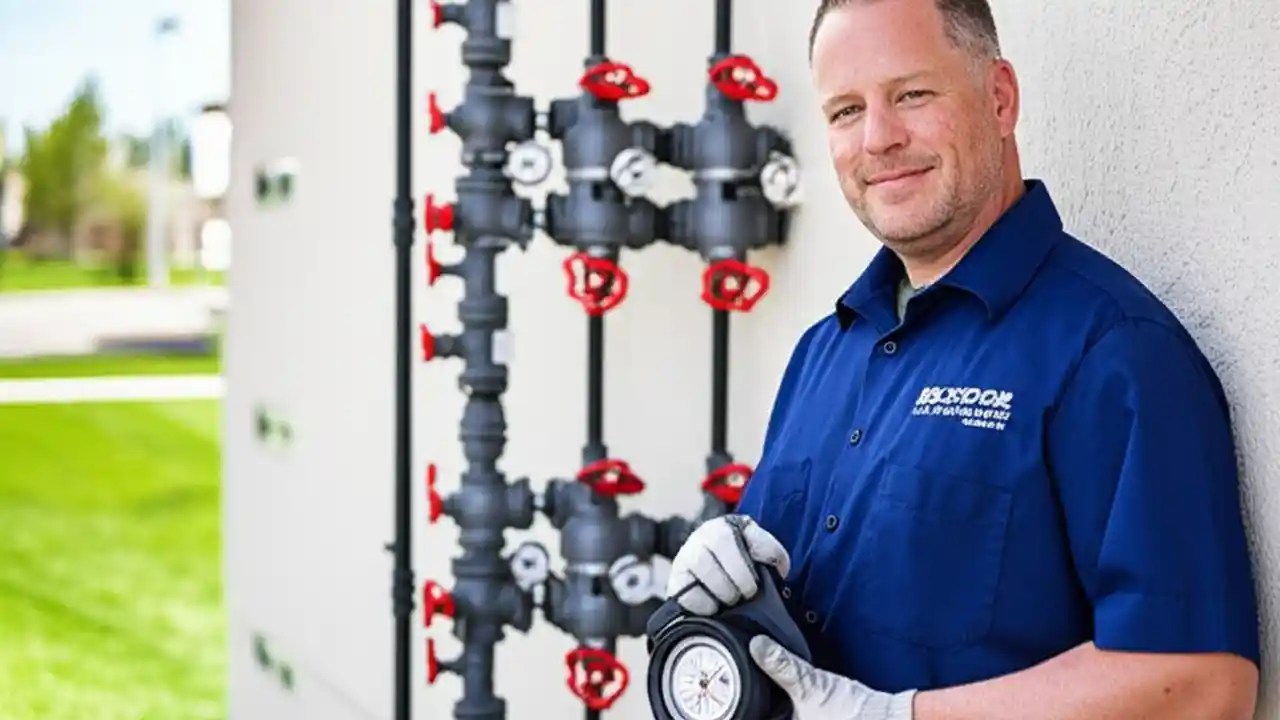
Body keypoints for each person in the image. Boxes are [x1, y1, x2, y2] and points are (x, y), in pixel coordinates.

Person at [662, 0, 1262, 717]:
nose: (878, 138)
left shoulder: (1113, 352)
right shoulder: (824, 354)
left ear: (1000, 98)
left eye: (912, 94)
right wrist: (718, 601)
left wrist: (900, 717)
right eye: (847, 110)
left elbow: (1201, 686)